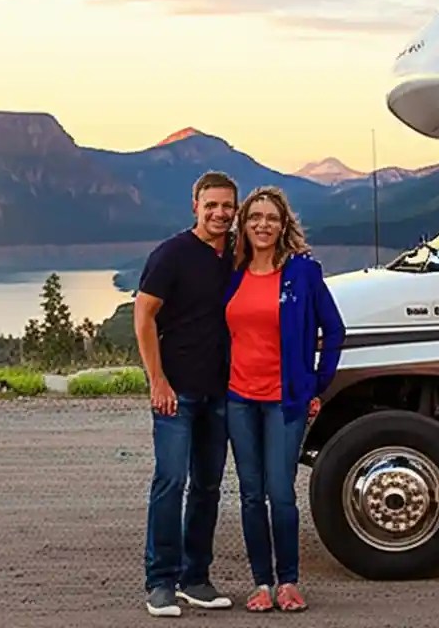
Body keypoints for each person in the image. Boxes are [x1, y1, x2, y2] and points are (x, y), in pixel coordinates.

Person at [223, 185, 345, 613]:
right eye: (254, 217)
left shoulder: (302, 273)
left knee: (281, 492)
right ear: (244, 224)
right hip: (238, 399)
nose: (262, 224)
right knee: (251, 494)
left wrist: (316, 385)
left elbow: (334, 331)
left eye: (271, 217)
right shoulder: (231, 272)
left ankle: (289, 581)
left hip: (284, 401)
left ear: (283, 224)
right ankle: (261, 583)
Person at [133, 171, 239, 618]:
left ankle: (196, 578)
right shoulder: (172, 254)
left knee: (208, 487)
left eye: (227, 206)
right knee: (171, 481)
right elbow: (143, 316)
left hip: (223, 392)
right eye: (210, 205)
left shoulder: (237, 254)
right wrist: (157, 380)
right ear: (194, 206)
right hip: (177, 392)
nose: (219, 213)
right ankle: (160, 581)